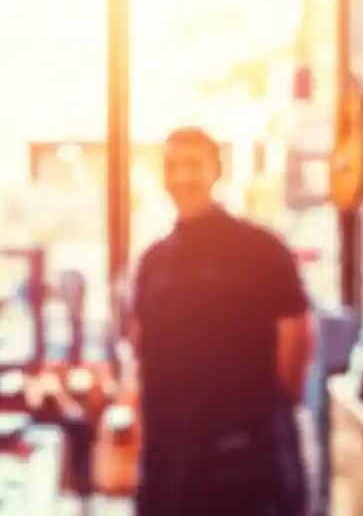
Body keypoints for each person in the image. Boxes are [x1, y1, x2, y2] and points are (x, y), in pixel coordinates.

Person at [126, 127, 315, 516]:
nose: (182, 177)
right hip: (171, 453)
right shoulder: (153, 261)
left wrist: (264, 417)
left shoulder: (262, 249)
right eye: (172, 166)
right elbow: (141, 344)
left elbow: (295, 336)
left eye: (193, 165)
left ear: (217, 170)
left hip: (246, 453)